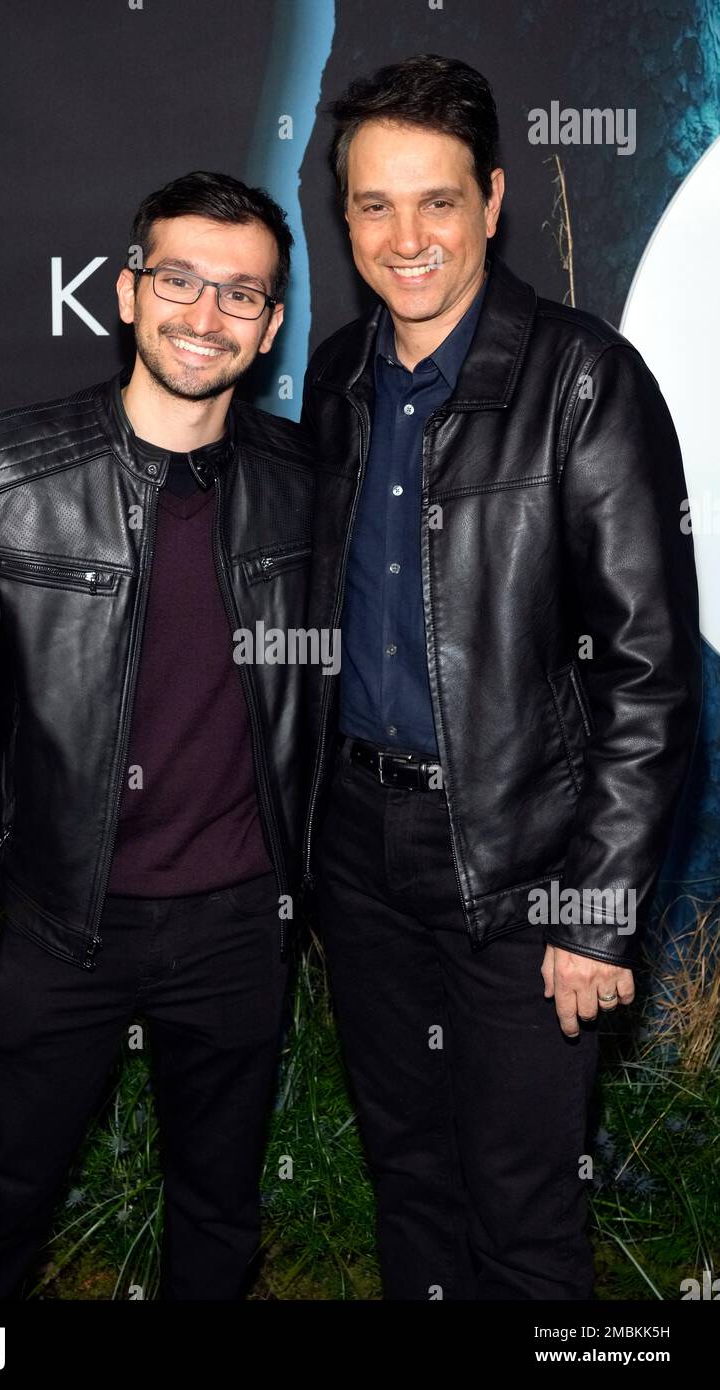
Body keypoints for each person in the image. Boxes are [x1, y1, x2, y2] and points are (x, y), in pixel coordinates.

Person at [299, 53, 702, 1299]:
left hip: (525, 864)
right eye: (373, 204)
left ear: (490, 200)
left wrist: (595, 907)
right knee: (409, 1176)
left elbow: (647, 674)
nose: (404, 236)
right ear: (345, 216)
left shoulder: (583, 382)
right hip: (361, 857)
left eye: (435, 200)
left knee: (523, 1214)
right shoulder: (336, 381)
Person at [0, 170, 316, 1300]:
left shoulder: (305, 488)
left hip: (239, 921)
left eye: (242, 294)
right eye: (179, 278)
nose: (206, 314)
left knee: (219, 1213)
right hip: (55, 917)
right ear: (128, 291)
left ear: (271, 324)